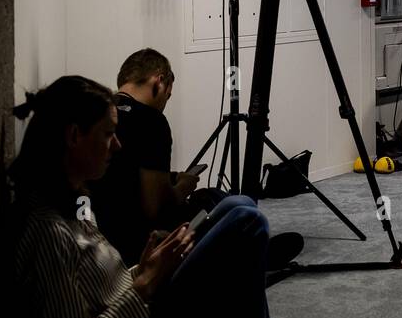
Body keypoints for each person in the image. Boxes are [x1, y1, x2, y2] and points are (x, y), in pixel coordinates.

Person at [10, 76, 295, 318]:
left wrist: (142, 270)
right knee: (247, 224)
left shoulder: (72, 202)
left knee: (236, 205)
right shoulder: (47, 231)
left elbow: (100, 292)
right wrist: (144, 287)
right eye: (108, 133)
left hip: (137, 313)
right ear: (74, 135)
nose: (117, 144)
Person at [89, 49, 303, 277]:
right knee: (220, 201)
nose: (164, 103)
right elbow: (157, 208)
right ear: (159, 81)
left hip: (105, 236)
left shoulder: (99, 112)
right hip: (143, 242)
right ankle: (253, 254)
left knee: (218, 200)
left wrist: (169, 178)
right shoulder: (152, 122)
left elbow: (123, 176)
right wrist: (183, 186)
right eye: (167, 96)